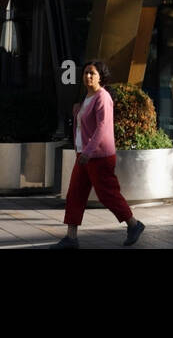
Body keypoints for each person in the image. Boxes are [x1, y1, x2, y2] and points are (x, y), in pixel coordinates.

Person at [53, 60, 145, 249]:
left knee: (107, 194)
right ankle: (71, 237)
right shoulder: (86, 98)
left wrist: (87, 151)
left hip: (99, 157)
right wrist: (78, 112)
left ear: (101, 77)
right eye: (86, 73)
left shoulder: (102, 97)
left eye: (92, 73)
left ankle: (134, 224)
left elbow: (102, 128)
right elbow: (84, 126)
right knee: (75, 194)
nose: (88, 76)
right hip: (84, 155)